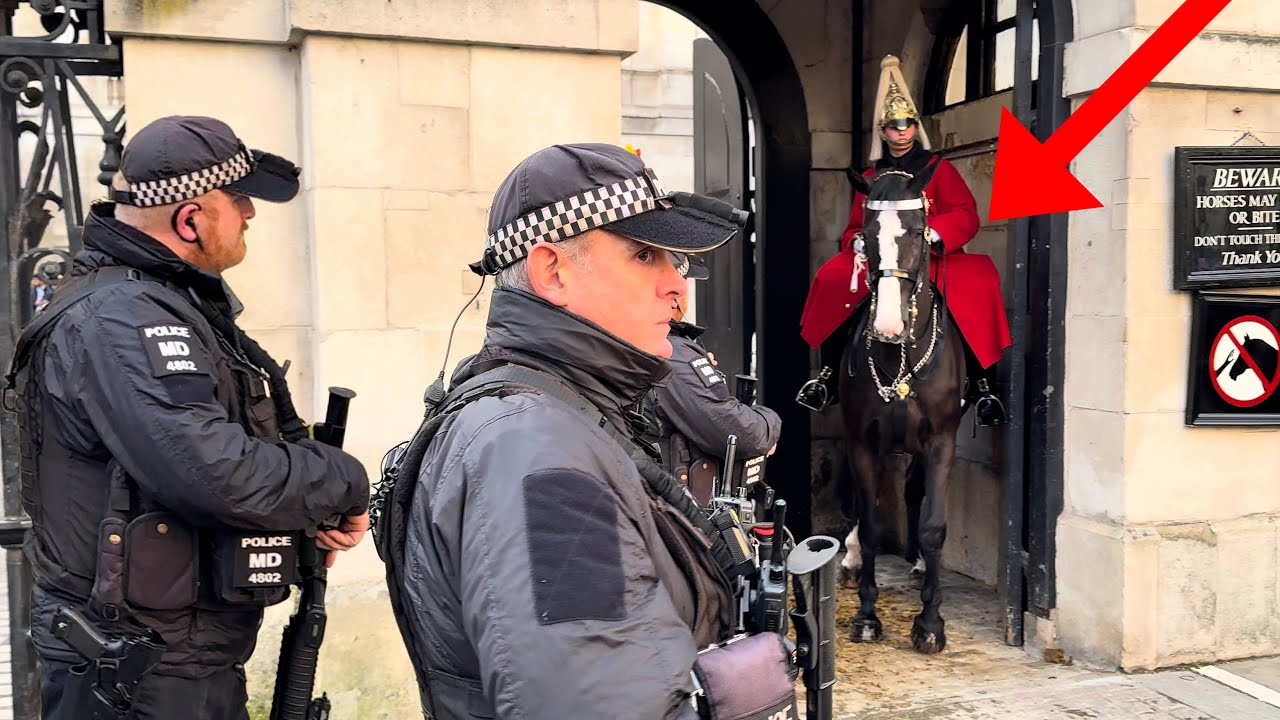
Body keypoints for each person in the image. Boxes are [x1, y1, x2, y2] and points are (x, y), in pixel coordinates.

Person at [381, 143, 797, 719]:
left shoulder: (563, 417)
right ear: (552, 271)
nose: (678, 287)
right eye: (645, 255)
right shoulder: (534, 448)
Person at [7, 116, 371, 720]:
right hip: (138, 671)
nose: (251, 213)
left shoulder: (157, 303)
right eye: (239, 199)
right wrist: (342, 480)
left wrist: (304, 506)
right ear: (191, 219)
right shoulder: (122, 319)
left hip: (171, 658)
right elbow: (212, 472)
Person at [796, 55, 1011, 425]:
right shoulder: (870, 175)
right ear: (884, 130)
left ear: (915, 127)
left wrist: (935, 232)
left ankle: (981, 384)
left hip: (930, 255)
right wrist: (859, 243)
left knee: (978, 282)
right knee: (829, 279)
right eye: (894, 126)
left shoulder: (937, 170)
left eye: (908, 124)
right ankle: (827, 376)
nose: (902, 132)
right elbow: (851, 228)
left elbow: (966, 213)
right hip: (880, 257)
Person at [642, 255, 781, 508]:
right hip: (677, 510)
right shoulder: (671, 352)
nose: (681, 291)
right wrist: (768, 422)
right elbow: (738, 432)